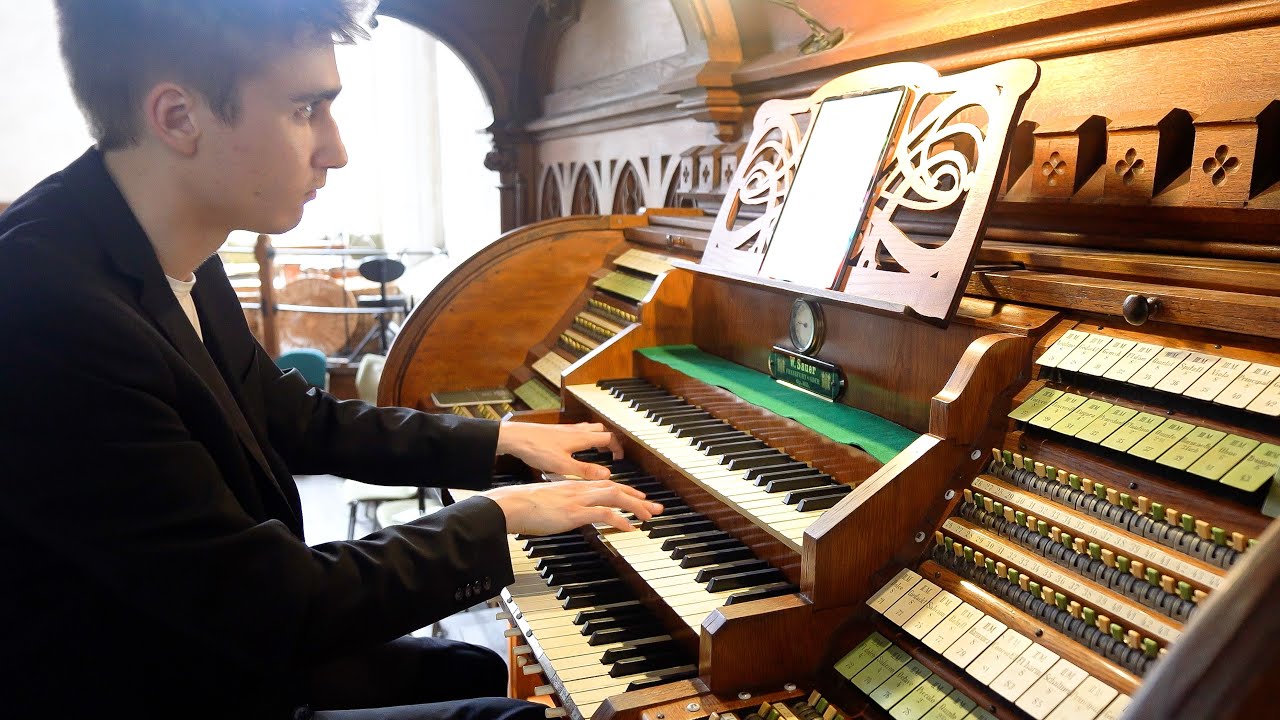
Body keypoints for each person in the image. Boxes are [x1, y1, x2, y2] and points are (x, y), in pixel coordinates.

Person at [0, 1, 661, 718]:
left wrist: (500, 440)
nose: (335, 149)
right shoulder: (50, 311)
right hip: (139, 681)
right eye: (305, 109)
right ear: (177, 117)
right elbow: (268, 602)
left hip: (194, 633)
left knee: (468, 669)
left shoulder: (159, 235)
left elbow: (292, 416)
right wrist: (497, 518)